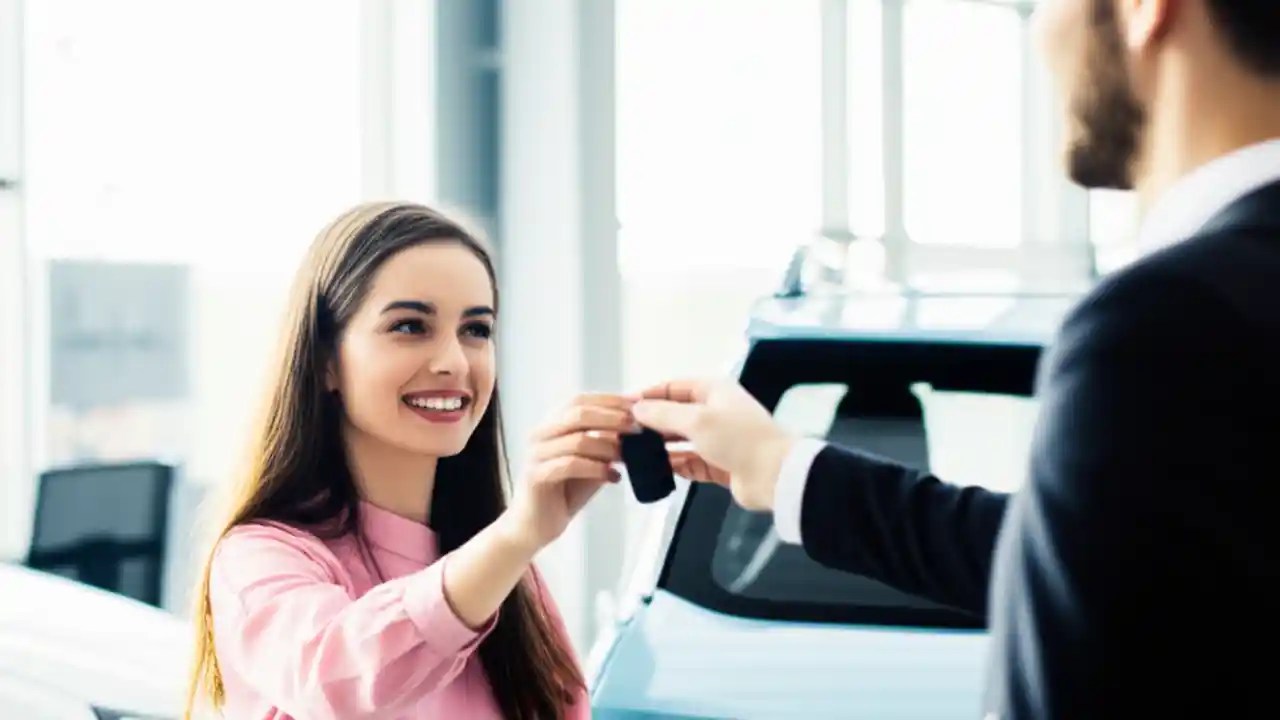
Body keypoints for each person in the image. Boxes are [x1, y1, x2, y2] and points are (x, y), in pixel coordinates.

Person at [631, 1, 1280, 717]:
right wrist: (784, 471)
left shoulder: (1164, 324)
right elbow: (1114, 569)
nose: (1038, 33)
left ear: (1143, 10)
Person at [182, 202, 635, 720]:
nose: (453, 362)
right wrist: (516, 535)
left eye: (476, 330)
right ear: (326, 360)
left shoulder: (508, 570)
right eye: (410, 327)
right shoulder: (260, 557)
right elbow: (335, 683)